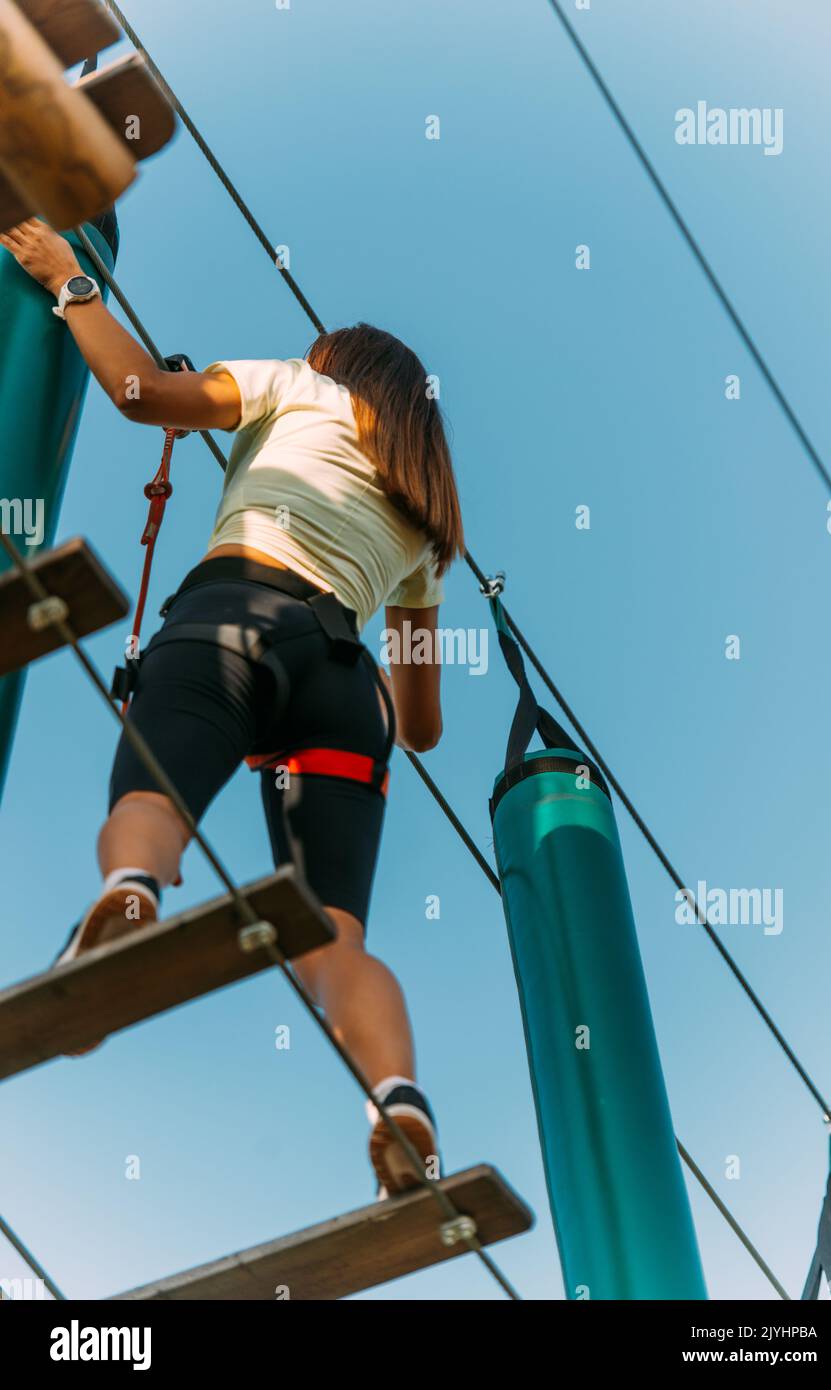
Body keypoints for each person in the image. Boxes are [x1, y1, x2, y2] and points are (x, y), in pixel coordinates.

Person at [0, 219, 464, 1197]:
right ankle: (397, 1098)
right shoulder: (425, 530)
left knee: (154, 799)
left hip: (231, 615)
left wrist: (72, 283)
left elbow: (137, 394)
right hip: (347, 696)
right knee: (336, 940)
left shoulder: (297, 386)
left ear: (337, 366)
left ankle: (132, 890)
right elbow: (420, 724)